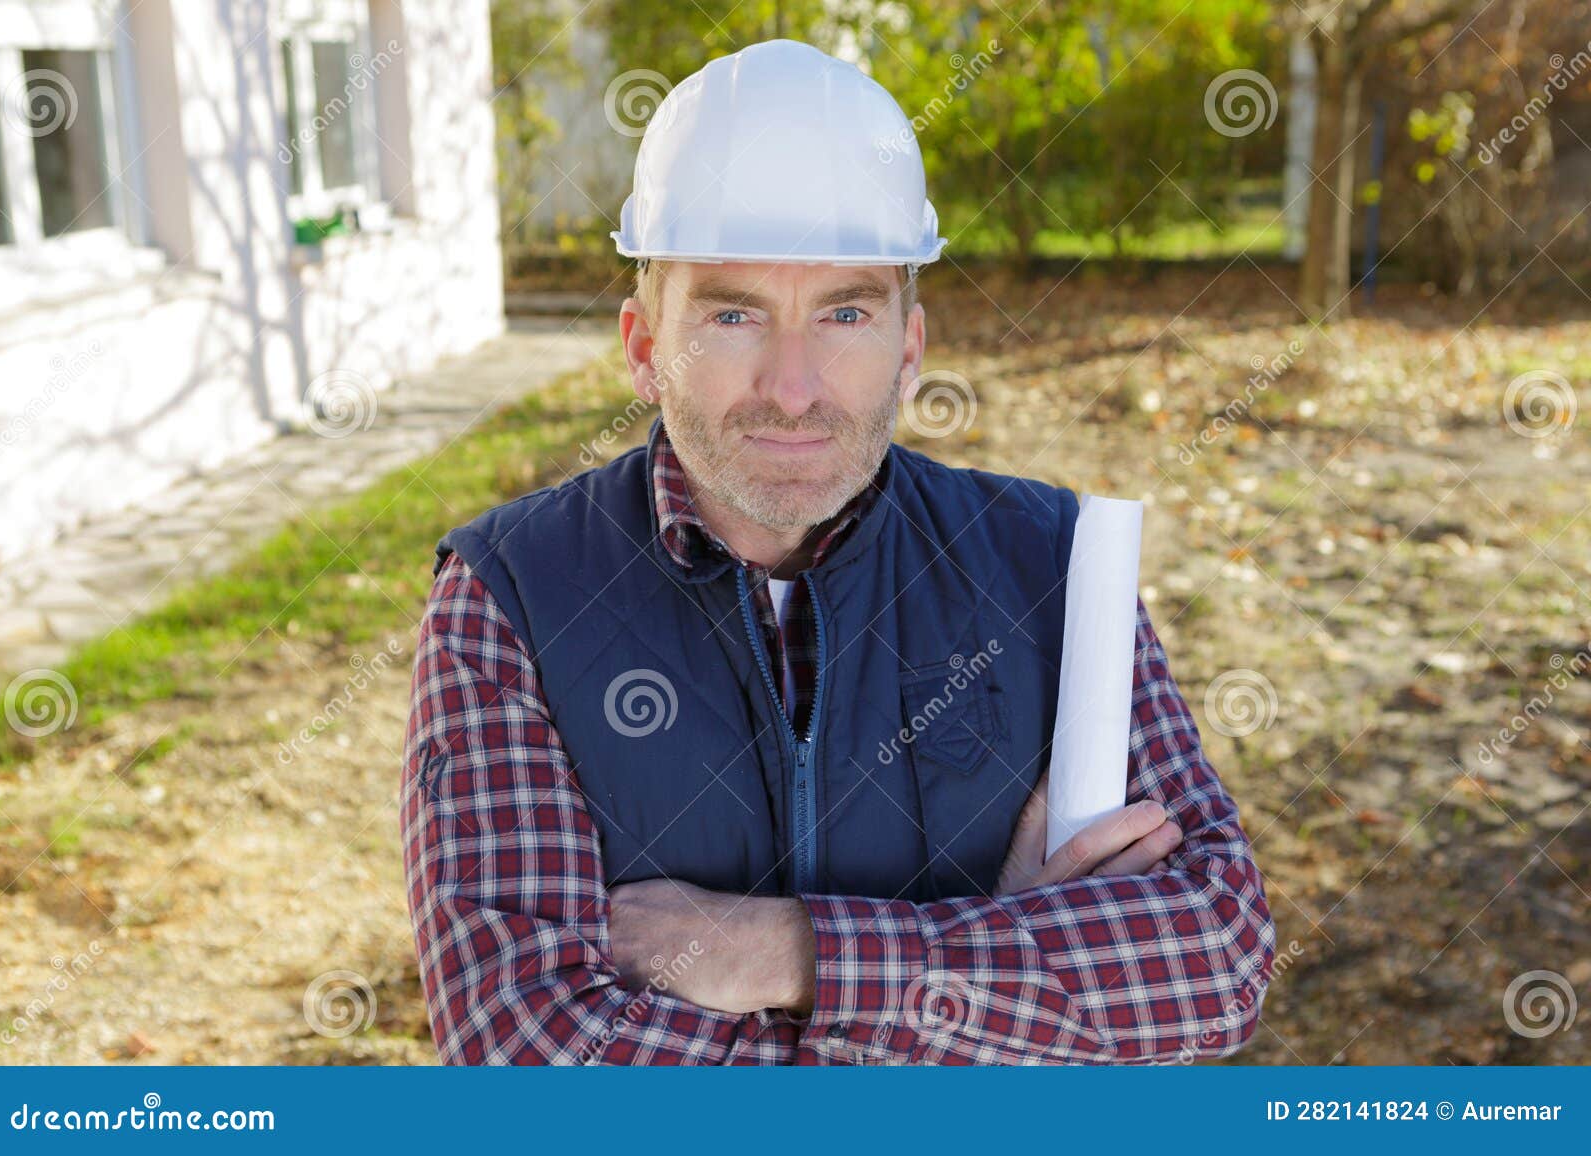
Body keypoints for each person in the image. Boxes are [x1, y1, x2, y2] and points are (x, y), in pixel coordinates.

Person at [400, 38, 1275, 1065]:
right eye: (734, 314)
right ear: (644, 348)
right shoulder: (511, 598)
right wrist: (1006, 972)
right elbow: (531, 1062)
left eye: (845, 312)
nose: (793, 387)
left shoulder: (1055, 566)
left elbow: (1214, 967)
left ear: (909, 350)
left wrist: (789, 953)